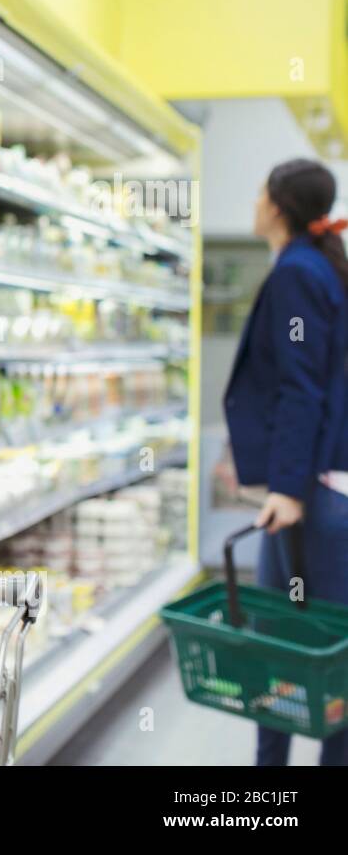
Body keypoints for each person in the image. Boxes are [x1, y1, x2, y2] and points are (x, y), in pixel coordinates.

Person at [223, 157, 348, 766]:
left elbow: (302, 386)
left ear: (277, 204)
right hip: (326, 491)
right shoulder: (320, 266)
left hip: (313, 501)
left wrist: (290, 488)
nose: (253, 201)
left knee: (291, 652)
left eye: (258, 190)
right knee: (322, 657)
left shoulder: (299, 272)